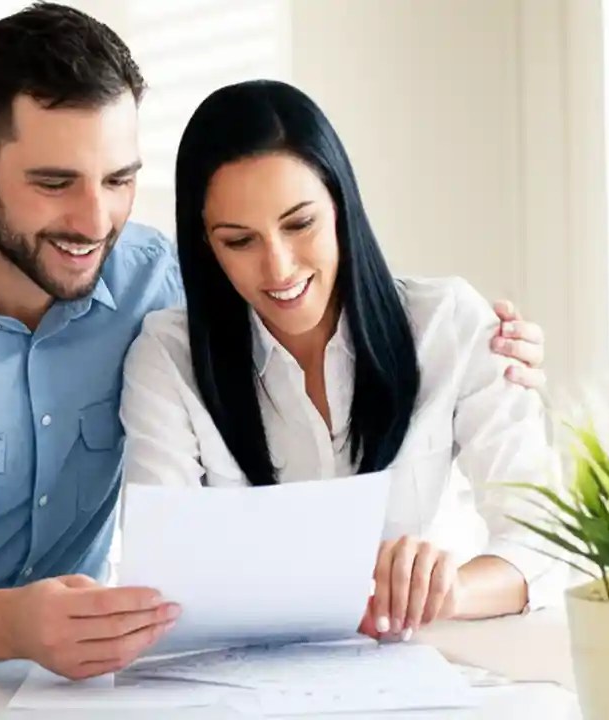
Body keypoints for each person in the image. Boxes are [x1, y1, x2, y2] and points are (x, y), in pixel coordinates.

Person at [0, 2, 549, 679]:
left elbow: (300, 278)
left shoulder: (158, 283)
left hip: (82, 688)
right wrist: (8, 626)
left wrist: (497, 347)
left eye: (118, 180)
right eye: (54, 183)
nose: (94, 222)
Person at [119, 79, 566, 644]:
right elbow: (164, 579)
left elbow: (546, 542)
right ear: (206, 245)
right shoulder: (168, 358)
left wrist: (445, 591)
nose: (279, 268)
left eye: (299, 224)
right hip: (251, 678)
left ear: (341, 206)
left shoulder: (447, 324)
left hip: (429, 663)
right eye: (239, 241)